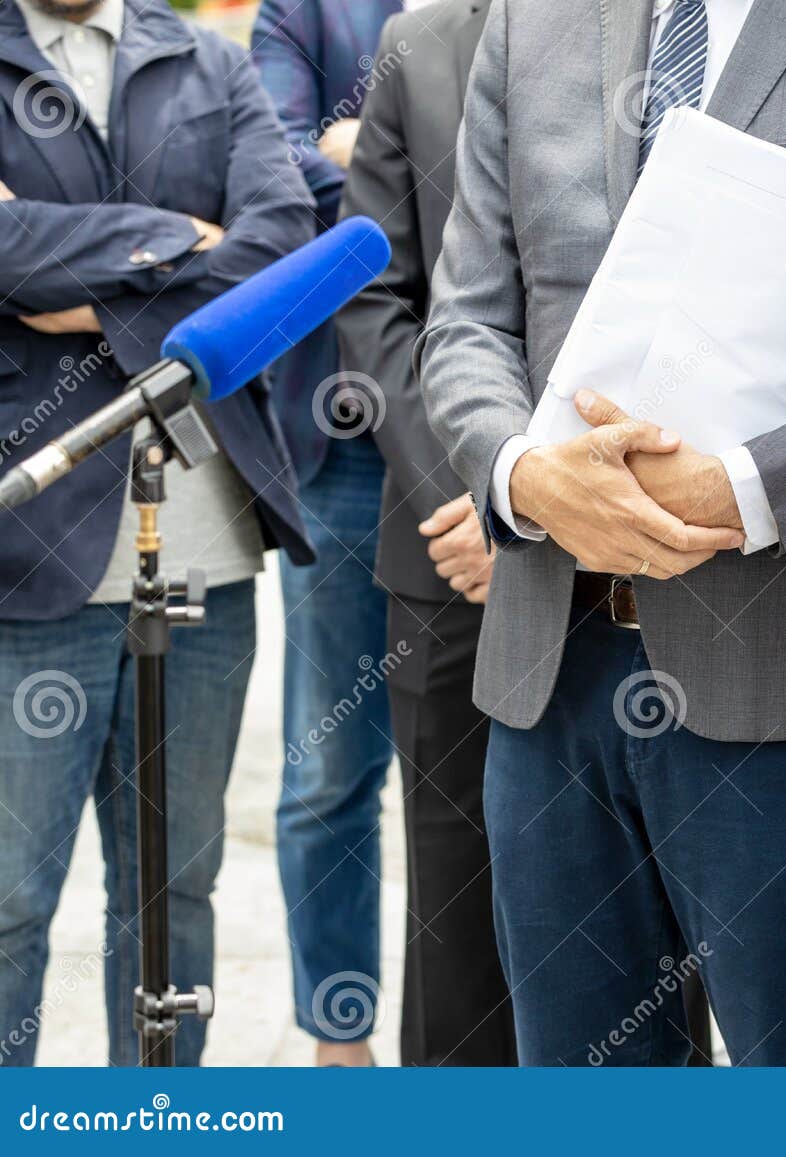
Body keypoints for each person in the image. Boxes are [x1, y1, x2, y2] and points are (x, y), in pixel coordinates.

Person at [418, 0, 786, 1065]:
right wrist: (523, 473)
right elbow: (468, 318)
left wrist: (747, 488)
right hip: (550, 675)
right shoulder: (532, 27)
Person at [0, 0, 315, 1065]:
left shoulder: (211, 65)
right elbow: (3, 253)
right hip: (28, 551)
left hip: (205, 556)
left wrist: (82, 293)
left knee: (175, 894)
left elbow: (283, 252)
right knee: (5, 901)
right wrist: (186, 243)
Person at [336, 0, 516, 1066]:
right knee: (454, 903)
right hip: (450, 556)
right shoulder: (420, 45)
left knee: (642, 910)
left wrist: (543, 507)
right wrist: (477, 495)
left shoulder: (670, 38)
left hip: (645, 562)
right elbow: (375, 299)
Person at [250, 0, 404, 1068]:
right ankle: (338, 1042)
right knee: (328, 769)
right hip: (343, 446)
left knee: (508, 766)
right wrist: (423, 156)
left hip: (515, 441)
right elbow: (273, 168)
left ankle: (484, 1041)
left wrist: (362, 150)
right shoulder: (300, 9)